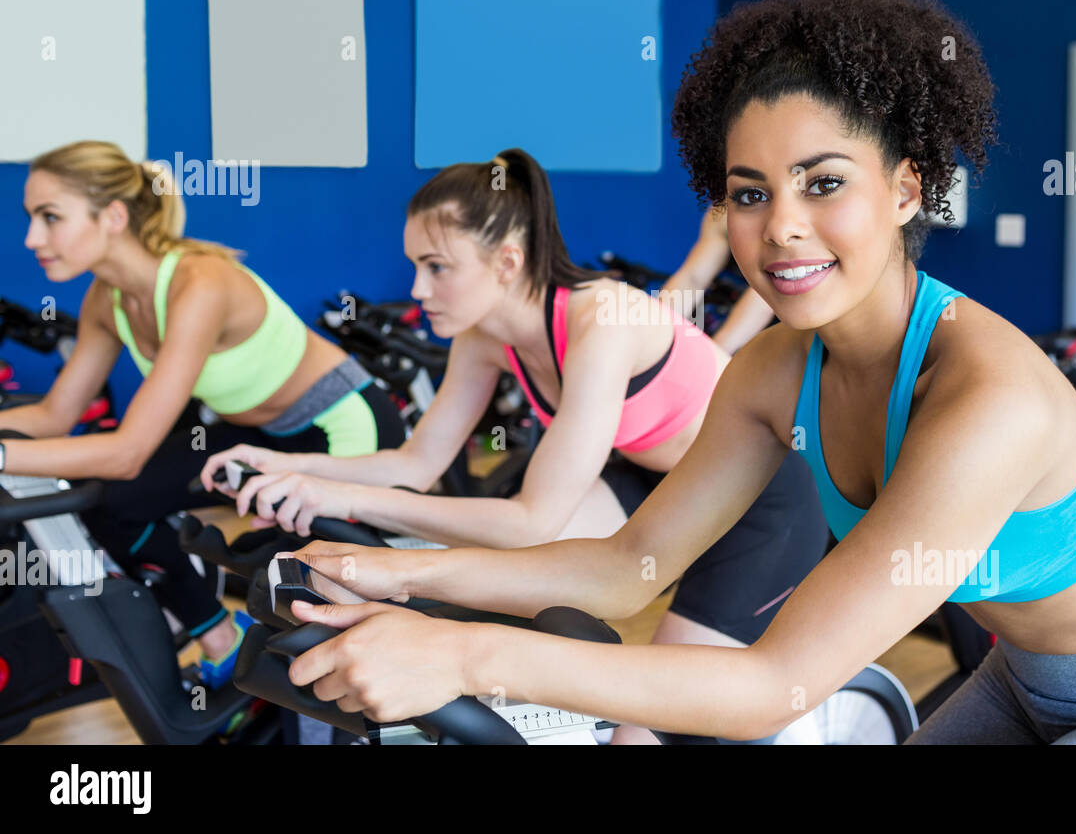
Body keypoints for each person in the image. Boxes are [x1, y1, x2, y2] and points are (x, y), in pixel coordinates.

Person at [272, 0, 1076, 744]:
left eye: (823, 182)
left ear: (906, 187)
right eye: (750, 192)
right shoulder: (771, 373)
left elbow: (772, 684)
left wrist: (458, 649)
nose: (782, 229)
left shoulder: (988, 394)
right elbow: (629, 568)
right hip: (1023, 680)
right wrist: (387, 571)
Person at [198, 148, 829, 744]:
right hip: (661, 485)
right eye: (417, 266)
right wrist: (286, 466)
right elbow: (415, 464)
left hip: (761, 505)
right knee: (476, 592)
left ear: (505, 262)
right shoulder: (484, 338)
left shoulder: (600, 320)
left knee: (646, 727)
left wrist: (340, 494)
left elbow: (532, 522)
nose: (417, 290)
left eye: (437, 268)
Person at [0, 141, 404, 688]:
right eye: (31, 218)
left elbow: (127, 451)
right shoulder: (107, 299)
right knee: (115, 502)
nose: (32, 238)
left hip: (341, 426)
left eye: (50, 217)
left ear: (113, 216)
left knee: (310, 594)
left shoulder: (198, 282)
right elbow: (53, 414)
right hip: (257, 434)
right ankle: (219, 634)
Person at [662, 207, 774, 353]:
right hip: (726, 301)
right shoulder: (725, 209)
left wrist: (713, 358)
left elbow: (765, 297)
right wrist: (655, 334)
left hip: (776, 317)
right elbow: (692, 278)